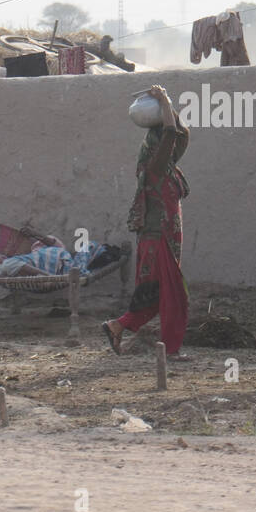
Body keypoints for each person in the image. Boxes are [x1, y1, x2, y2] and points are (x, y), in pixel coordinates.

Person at [103, 85, 191, 359]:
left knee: (157, 293)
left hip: (162, 236)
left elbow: (180, 133)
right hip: (158, 235)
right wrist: (164, 101)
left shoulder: (167, 168)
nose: (174, 145)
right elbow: (170, 134)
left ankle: (118, 326)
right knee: (173, 295)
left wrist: (167, 107)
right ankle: (170, 350)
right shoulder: (155, 168)